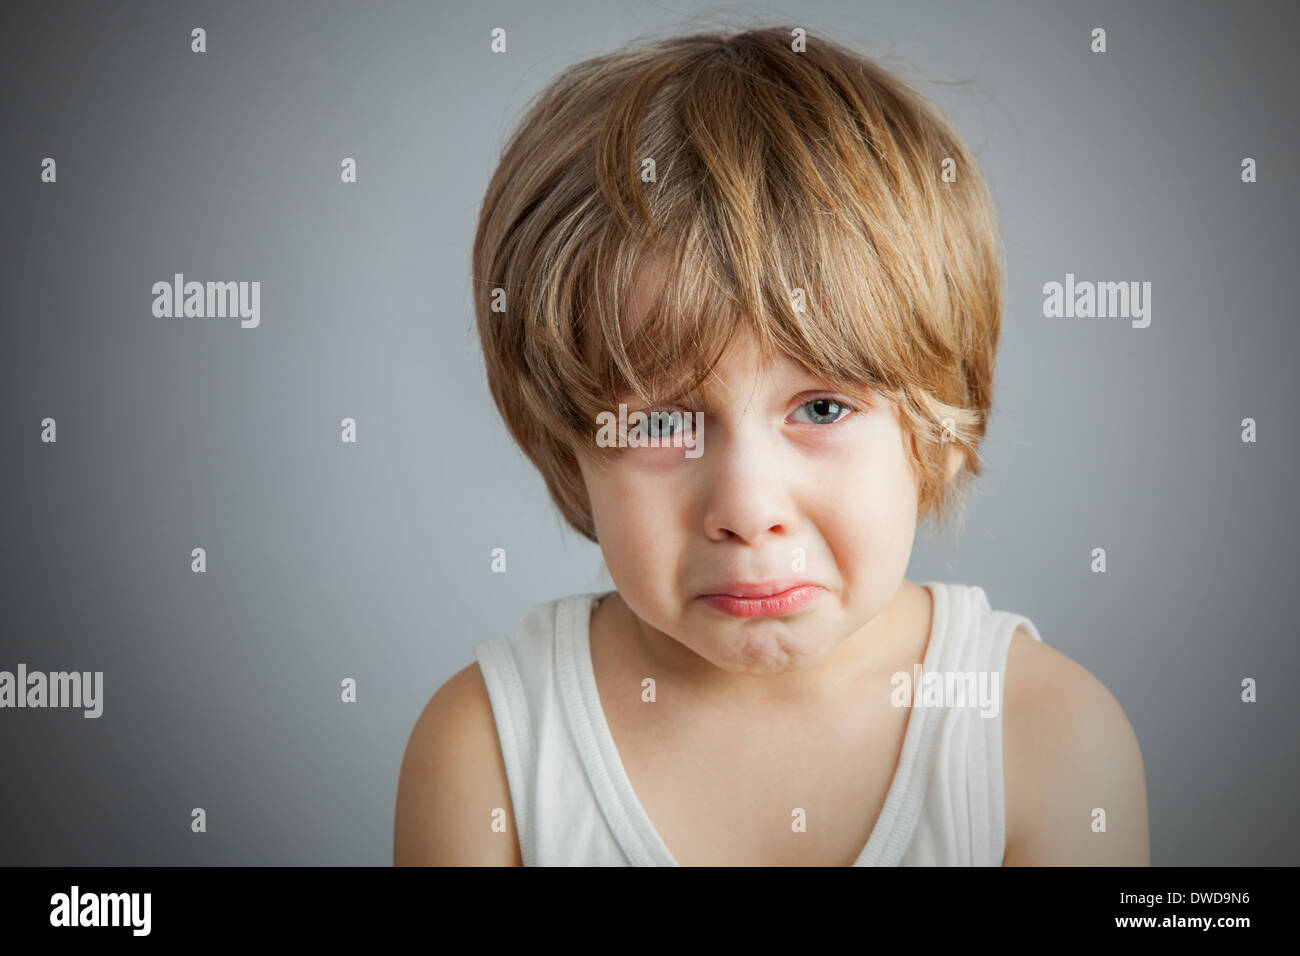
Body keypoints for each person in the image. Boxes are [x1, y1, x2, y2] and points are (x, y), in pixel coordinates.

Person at [395, 24, 1148, 866]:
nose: (748, 511)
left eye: (822, 409)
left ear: (936, 429)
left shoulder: (1043, 742)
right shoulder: (491, 754)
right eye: (659, 423)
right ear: (567, 443)